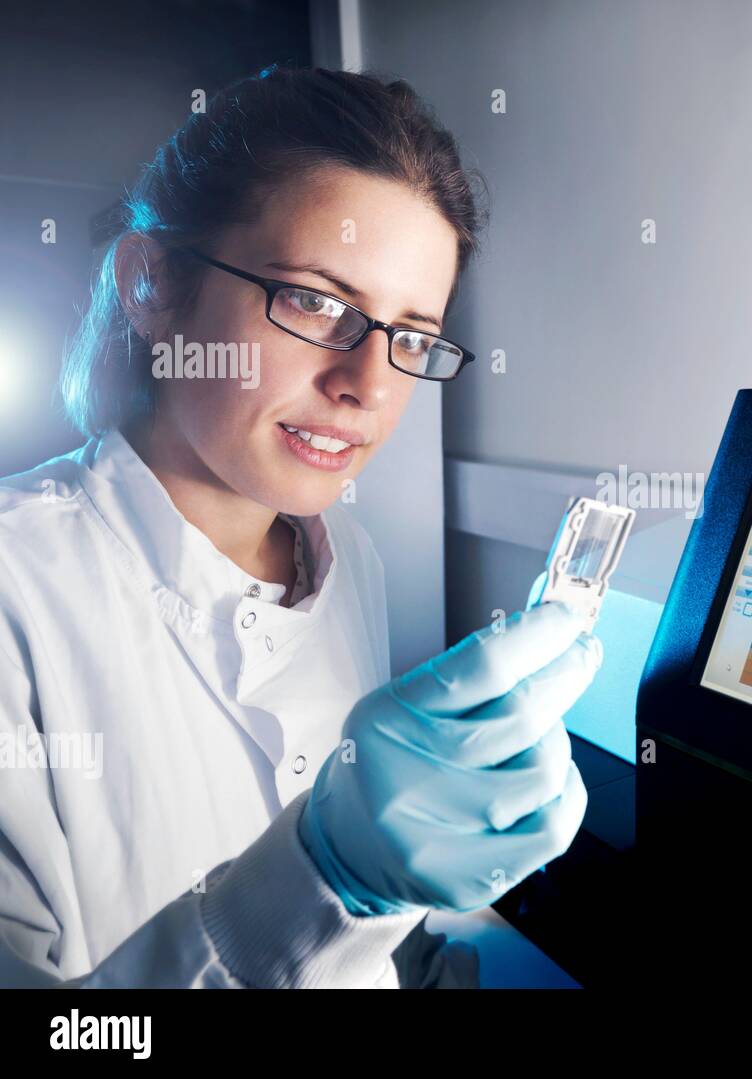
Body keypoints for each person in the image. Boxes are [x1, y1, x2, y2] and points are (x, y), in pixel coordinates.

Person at [0, 66, 600, 988]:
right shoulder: (16, 592)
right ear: (153, 283)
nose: (366, 382)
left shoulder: (346, 555)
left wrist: (413, 935)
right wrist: (329, 878)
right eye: (318, 302)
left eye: (410, 334)